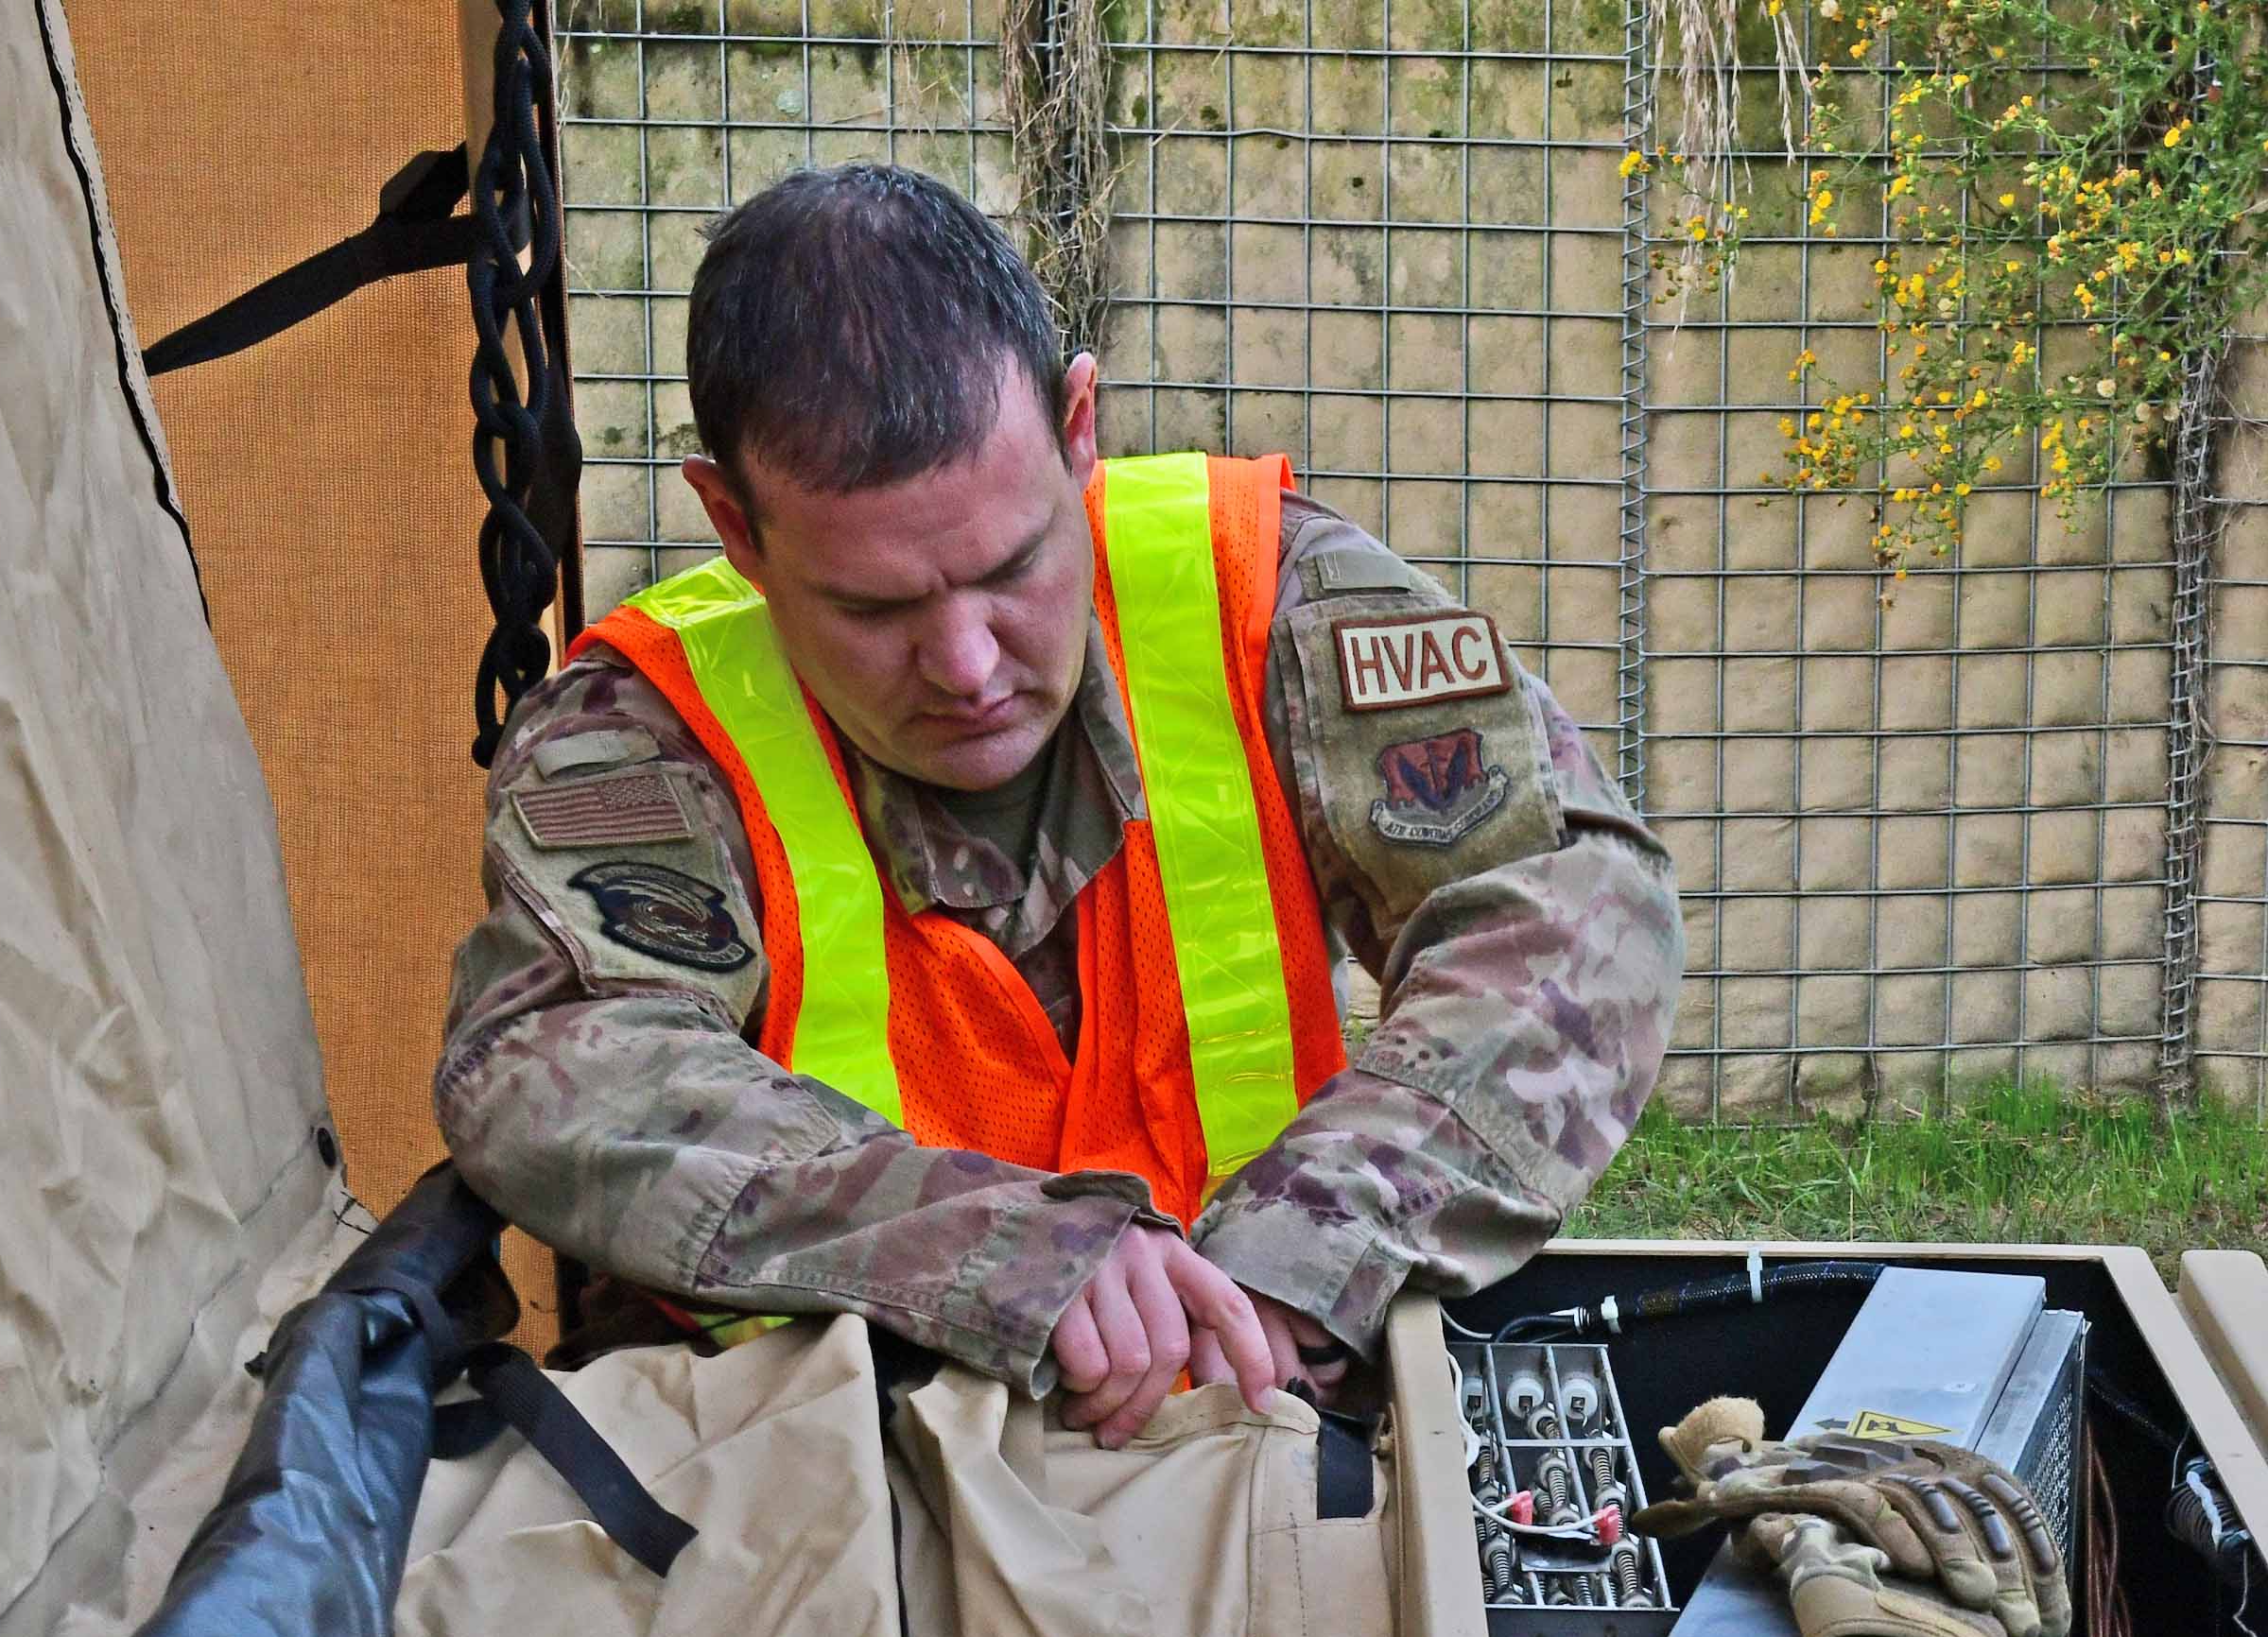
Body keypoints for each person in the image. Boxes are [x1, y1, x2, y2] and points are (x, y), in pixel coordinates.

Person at [433, 163, 1682, 1442]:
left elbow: (1573, 906)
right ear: (734, 526)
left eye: (1011, 565)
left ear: (1080, 427)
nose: (967, 665)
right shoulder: (638, 730)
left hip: (1268, 1425)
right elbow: (552, 1068)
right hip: (825, 1479)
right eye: (873, 608)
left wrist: (1304, 1253)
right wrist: (1000, 1259)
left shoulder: (1259, 590)